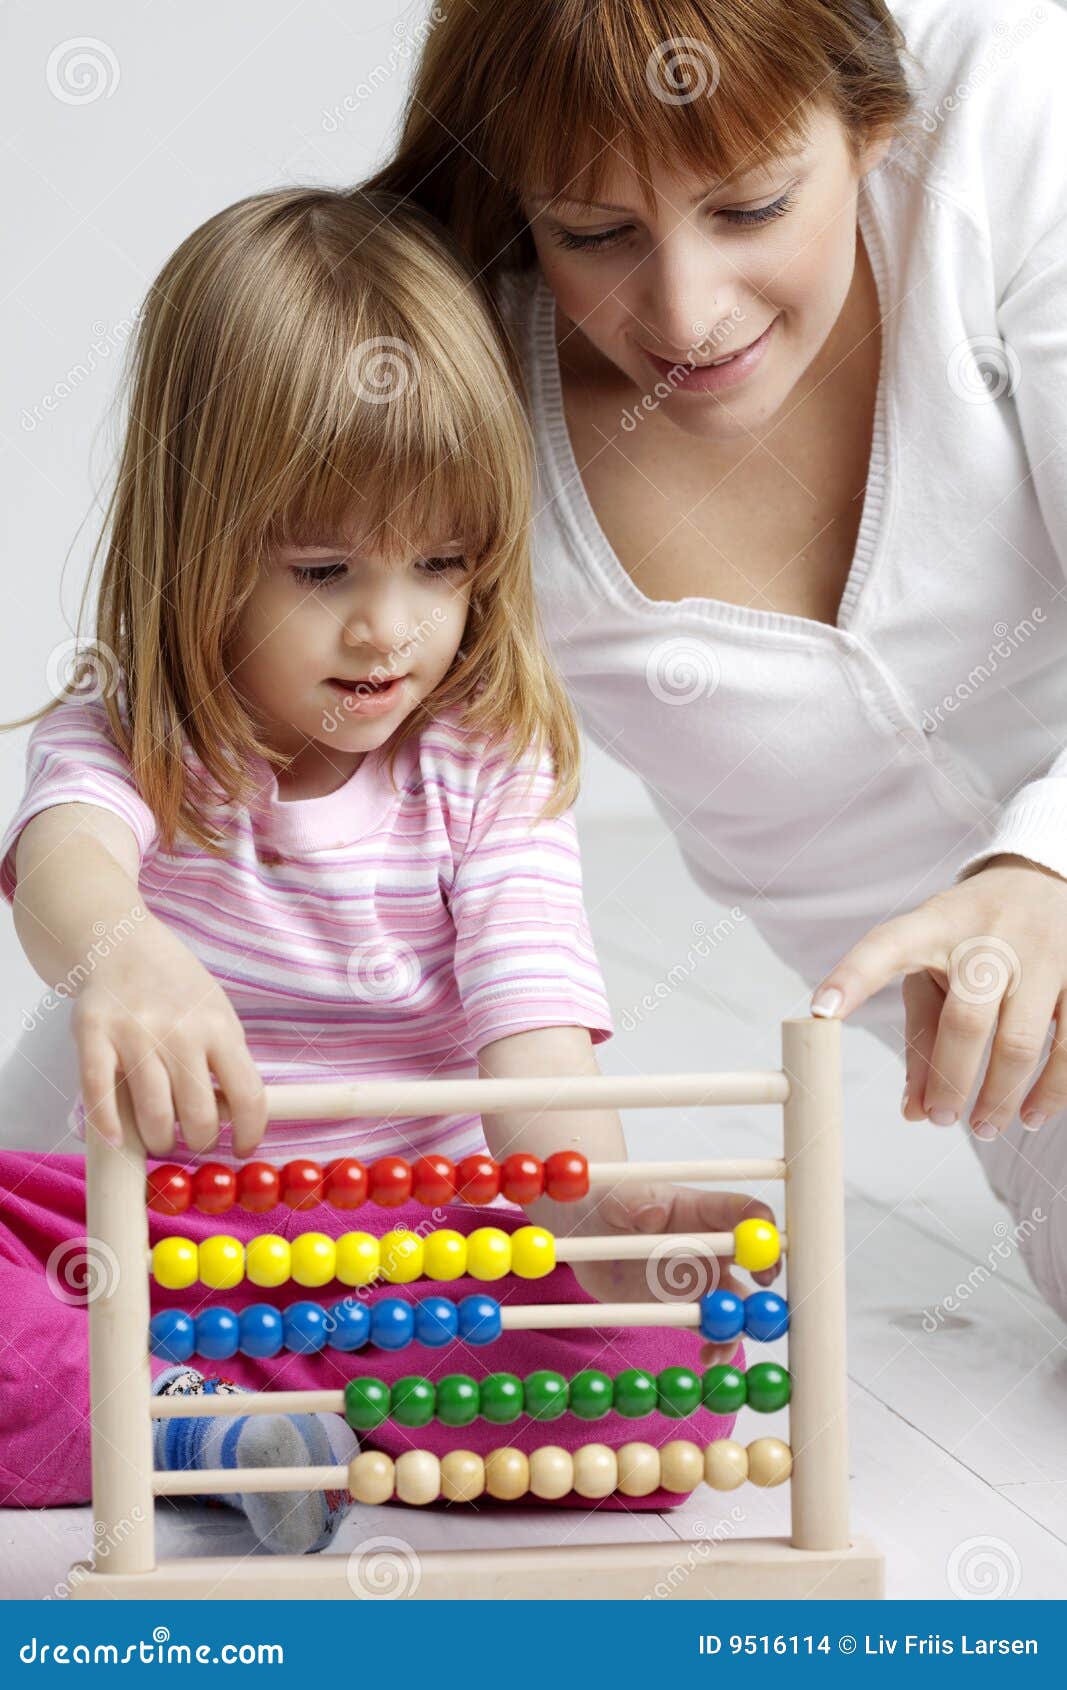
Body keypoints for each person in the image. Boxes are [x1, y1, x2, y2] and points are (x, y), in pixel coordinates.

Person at [0, 186, 776, 1549]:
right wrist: (125, 953)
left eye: (441, 563)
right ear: (197, 542)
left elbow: (538, 1055)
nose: (389, 628)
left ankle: (204, 1414)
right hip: (142, 1238)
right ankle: (199, 1417)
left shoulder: (490, 768)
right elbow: (67, 860)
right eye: (322, 570)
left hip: (415, 1259)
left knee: (651, 1377)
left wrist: (601, 1217)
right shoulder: (130, 731)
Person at [362, 0, 1067, 1321]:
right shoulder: (449, 392)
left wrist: (1043, 869)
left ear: (870, 121)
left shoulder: (1007, 122)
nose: (686, 312)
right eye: (594, 232)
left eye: (751, 207)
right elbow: (248, 780)